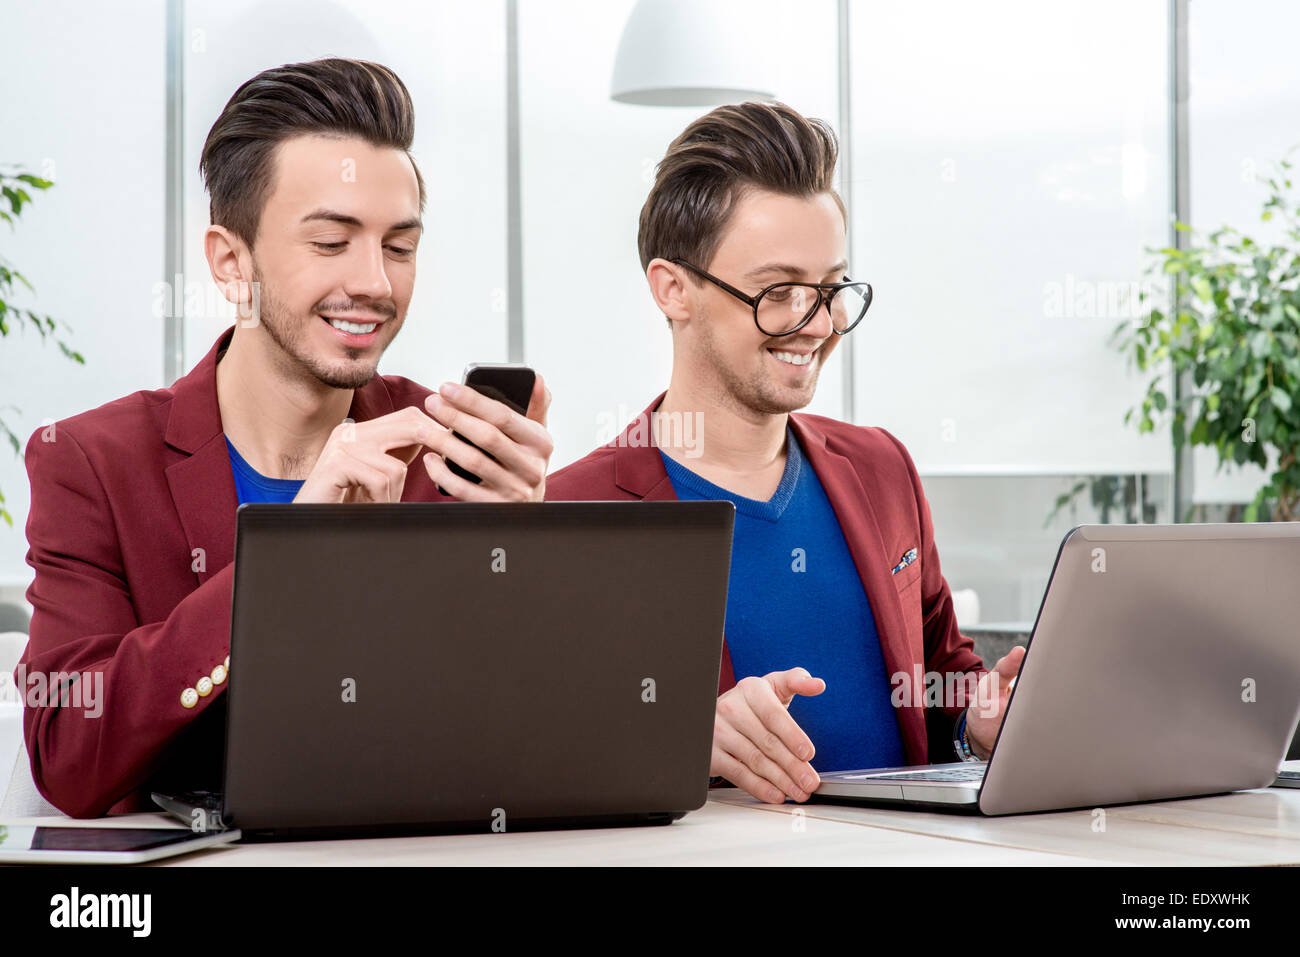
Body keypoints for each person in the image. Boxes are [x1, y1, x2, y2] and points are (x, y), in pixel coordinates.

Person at [18, 58, 554, 817]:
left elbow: (516, 749)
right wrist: (287, 560)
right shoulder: (91, 461)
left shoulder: (452, 453)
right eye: (332, 243)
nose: (375, 282)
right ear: (232, 264)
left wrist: (531, 567)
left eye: (399, 246)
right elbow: (70, 754)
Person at [546, 101, 1024, 805]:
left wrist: (978, 724)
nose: (819, 324)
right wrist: (682, 738)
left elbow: (936, 682)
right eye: (780, 293)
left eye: (830, 289)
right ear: (672, 289)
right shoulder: (567, 512)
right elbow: (541, 748)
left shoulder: (882, 467)